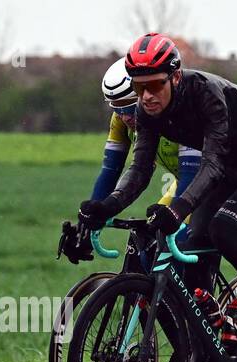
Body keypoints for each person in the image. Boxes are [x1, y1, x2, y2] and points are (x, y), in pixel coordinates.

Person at [76, 34, 237, 362]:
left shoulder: (205, 94)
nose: (148, 96)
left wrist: (178, 208)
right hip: (235, 169)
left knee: (223, 229)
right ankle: (207, 352)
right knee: (195, 246)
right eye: (140, 89)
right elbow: (139, 171)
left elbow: (210, 164)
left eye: (155, 85)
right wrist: (105, 207)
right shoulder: (147, 111)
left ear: (175, 77)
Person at [60, 60, 202, 265]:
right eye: (116, 107)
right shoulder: (120, 120)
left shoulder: (176, 115)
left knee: (176, 244)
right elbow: (110, 171)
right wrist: (88, 224)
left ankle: (198, 294)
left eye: (129, 107)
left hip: (212, 181)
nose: (125, 117)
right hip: (184, 181)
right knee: (145, 244)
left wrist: (176, 216)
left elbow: (192, 174)